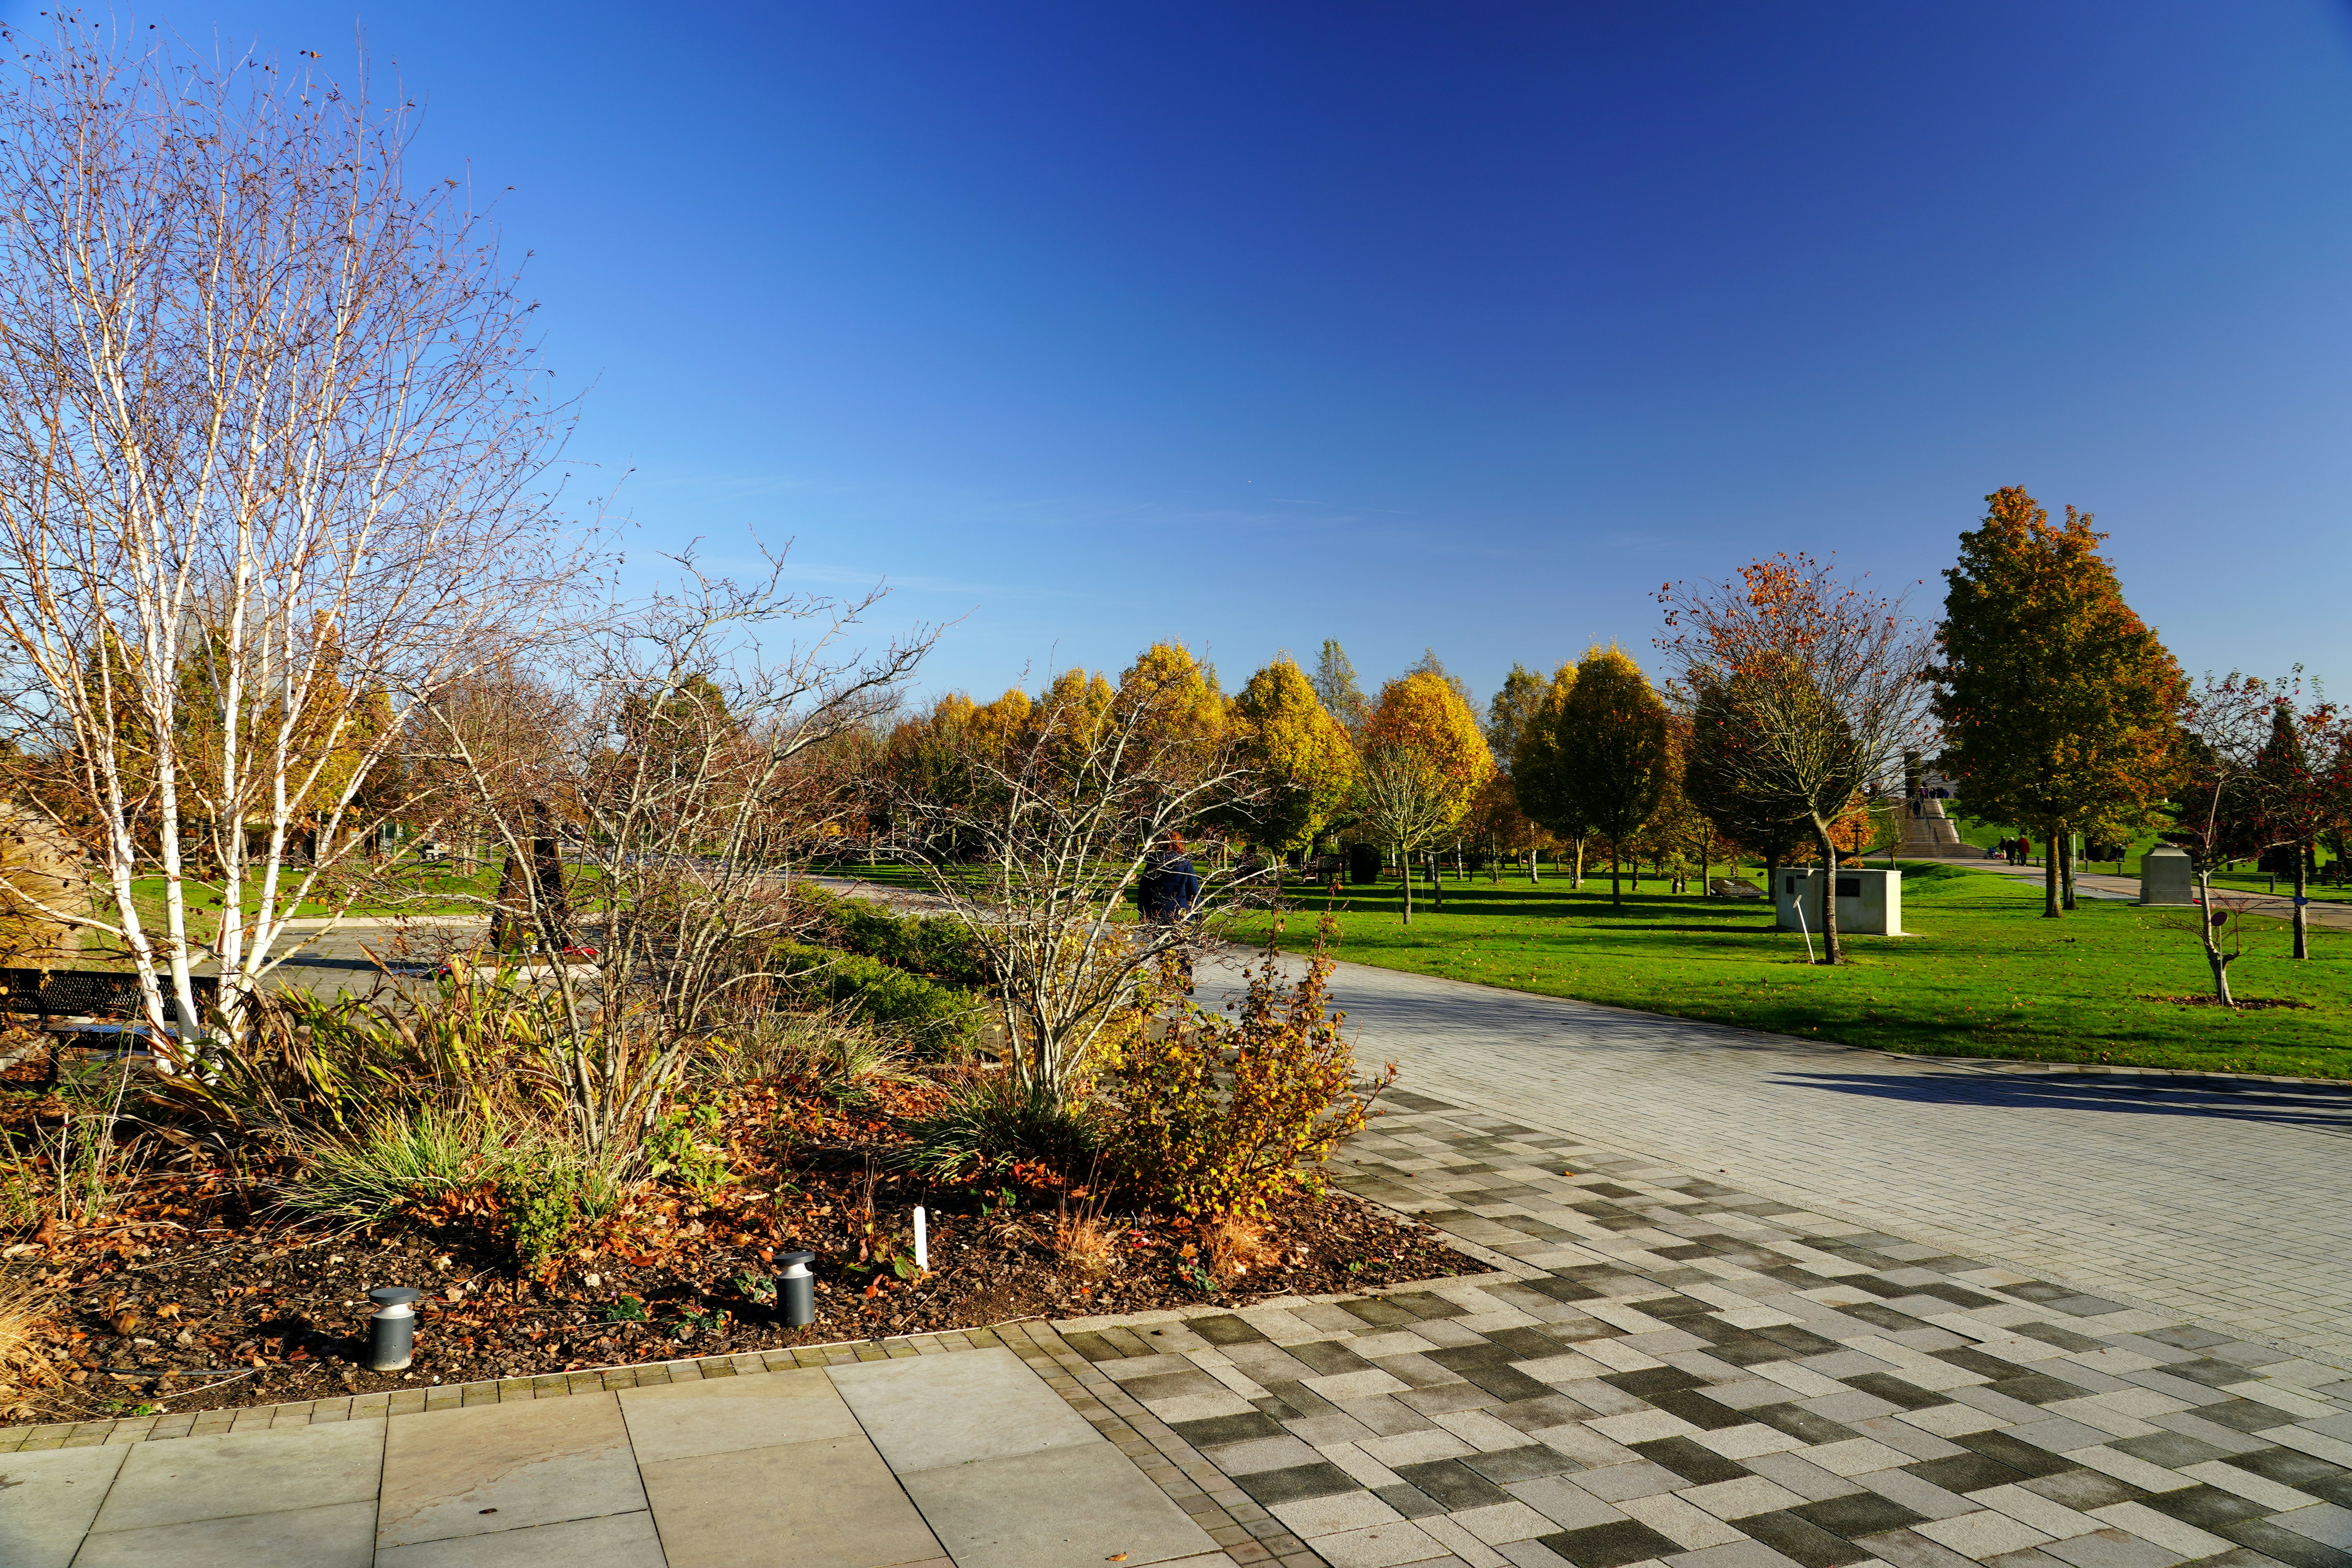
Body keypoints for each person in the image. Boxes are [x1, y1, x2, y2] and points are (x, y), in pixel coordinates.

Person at [1138, 833, 1201, 987]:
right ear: (1179, 843)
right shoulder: (1185, 863)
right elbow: (1194, 891)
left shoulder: (1153, 862)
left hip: (1157, 911)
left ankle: (1165, 980)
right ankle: (1185, 973)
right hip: (1180, 912)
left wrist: (1143, 913)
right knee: (1180, 946)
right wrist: (1199, 914)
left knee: (1162, 949)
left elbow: (1144, 890)